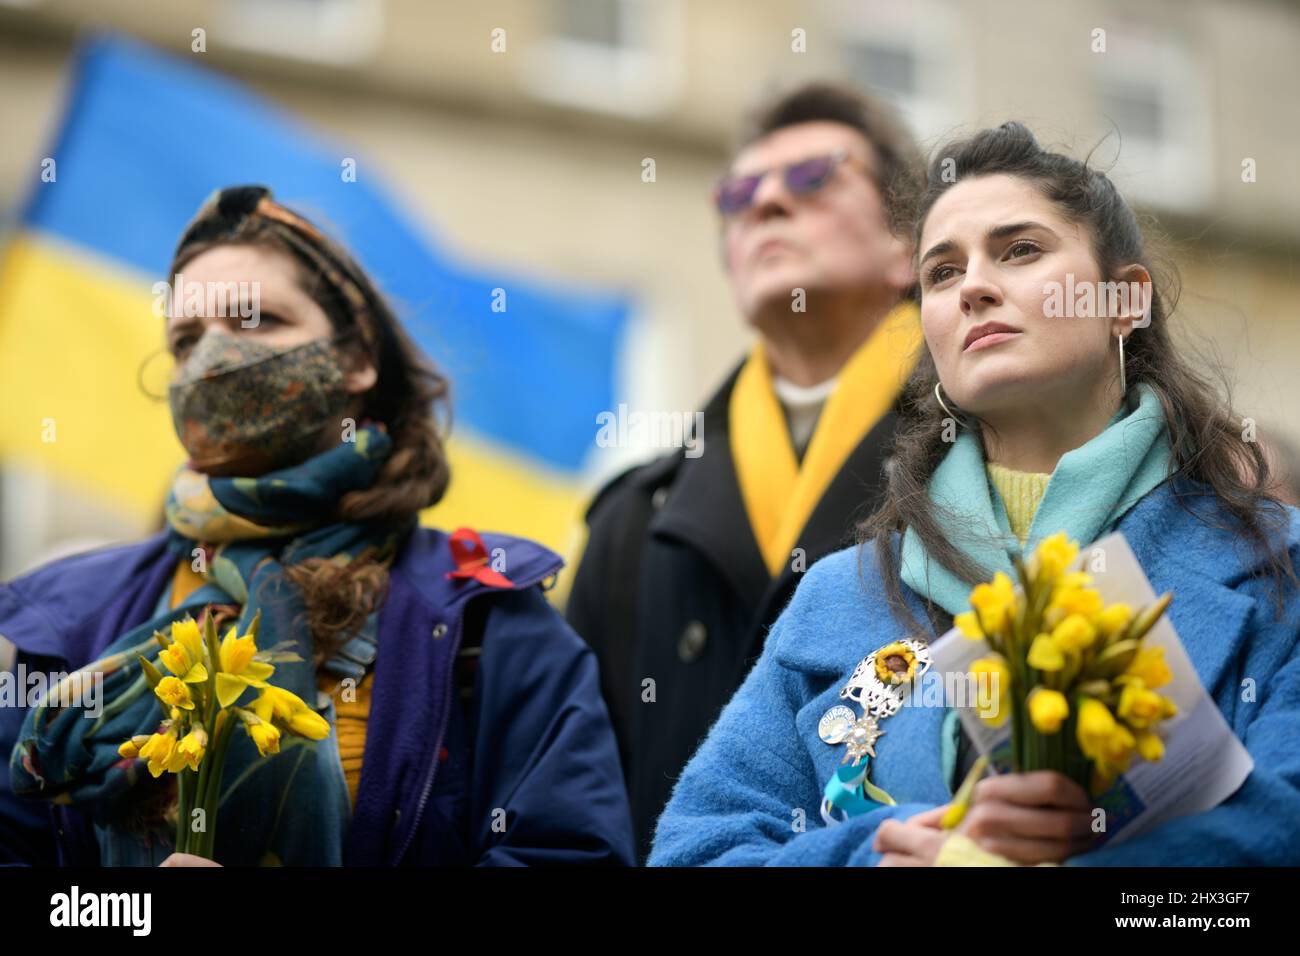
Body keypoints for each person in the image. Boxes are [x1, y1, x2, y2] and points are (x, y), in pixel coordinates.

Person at [649, 122, 1300, 866]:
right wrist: (875, 859)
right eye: (942, 273)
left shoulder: (1277, 559)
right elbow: (693, 850)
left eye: (1020, 250)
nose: (975, 288)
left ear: (1126, 301)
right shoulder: (837, 596)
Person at [0, 185, 634, 866]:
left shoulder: (488, 618)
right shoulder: (64, 619)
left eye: (256, 320)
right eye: (187, 339)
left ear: (358, 359)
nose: (214, 356)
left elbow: (569, 855)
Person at [567, 82, 926, 859]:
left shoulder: (995, 454)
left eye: (810, 178)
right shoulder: (632, 520)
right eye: (736, 192)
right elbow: (571, 809)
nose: (762, 203)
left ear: (907, 245)